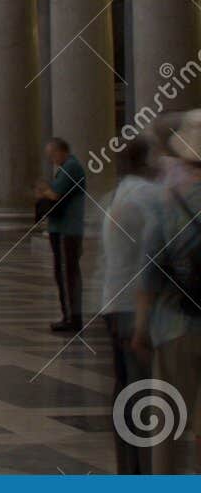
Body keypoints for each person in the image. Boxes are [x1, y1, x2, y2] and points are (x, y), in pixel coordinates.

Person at [135, 110, 201, 474]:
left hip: (175, 326)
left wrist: (142, 328)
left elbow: (149, 274)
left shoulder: (167, 202)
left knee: (170, 427)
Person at [98, 132, 165, 473]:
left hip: (113, 301)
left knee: (126, 388)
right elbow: (155, 259)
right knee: (144, 391)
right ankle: (144, 471)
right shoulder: (152, 197)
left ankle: (130, 468)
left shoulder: (116, 195)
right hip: (136, 306)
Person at [40, 137, 88, 332]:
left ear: (61, 151)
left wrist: (43, 189)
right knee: (64, 273)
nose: (51, 159)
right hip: (63, 228)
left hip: (66, 229)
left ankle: (72, 317)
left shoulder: (71, 167)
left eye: (52, 155)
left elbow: (54, 194)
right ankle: (69, 315)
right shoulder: (67, 168)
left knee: (66, 273)